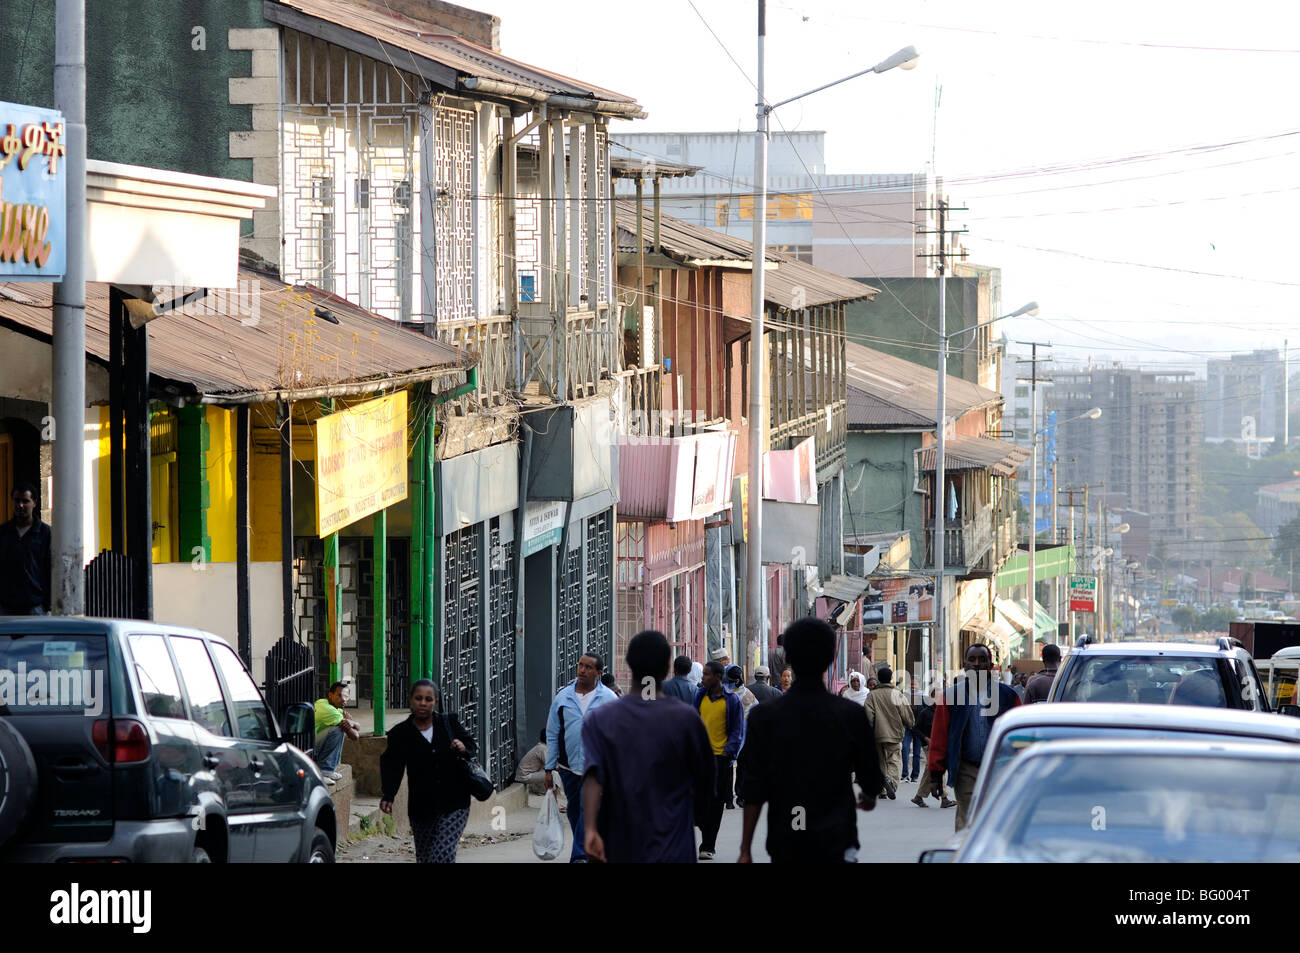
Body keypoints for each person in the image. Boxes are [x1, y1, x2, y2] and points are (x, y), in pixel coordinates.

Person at [737, 617, 883, 863]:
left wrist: (745, 850)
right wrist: (868, 795)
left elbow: (753, 788)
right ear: (830, 659)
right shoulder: (850, 715)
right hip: (836, 839)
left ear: (789, 658)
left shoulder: (764, 717)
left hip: (787, 839)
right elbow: (871, 778)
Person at [580, 630, 715, 863]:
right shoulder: (687, 720)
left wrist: (591, 829)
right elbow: (705, 783)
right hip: (674, 846)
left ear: (629, 663)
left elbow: (592, 777)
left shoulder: (601, 720)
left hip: (621, 845)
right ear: (666, 669)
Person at [379, 680, 477, 863]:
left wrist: (463, 747)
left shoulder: (449, 723)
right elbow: (392, 764)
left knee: (442, 855)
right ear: (410, 699)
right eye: (418, 698)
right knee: (424, 858)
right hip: (421, 807)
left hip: (454, 802)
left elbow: (471, 745)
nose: (423, 703)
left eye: (428, 699)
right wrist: (388, 795)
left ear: (435, 702)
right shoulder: (400, 734)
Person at [928, 644, 1021, 830]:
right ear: (965, 664)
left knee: (997, 819)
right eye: (972, 660)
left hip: (999, 768)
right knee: (968, 820)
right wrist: (935, 775)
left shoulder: (1008, 696)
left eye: (982, 660)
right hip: (966, 770)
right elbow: (939, 738)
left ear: (990, 664)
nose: (977, 664)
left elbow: (1020, 734)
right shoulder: (950, 696)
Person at [544, 652, 617, 862]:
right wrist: (549, 768)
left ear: (599, 673)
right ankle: (590, 849)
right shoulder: (563, 697)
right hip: (568, 768)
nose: (582, 670)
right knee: (575, 813)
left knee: (588, 810)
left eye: (588, 667)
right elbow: (552, 732)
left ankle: (579, 857)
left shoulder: (609, 699)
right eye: (580, 665)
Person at [692, 659, 744, 859]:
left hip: (720, 760)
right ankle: (703, 827)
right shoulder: (699, 696)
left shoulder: (732, 701)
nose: (703, 678)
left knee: (715, 803)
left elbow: (736, 731)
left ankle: (708, 846)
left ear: (717, 677)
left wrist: (727, 753)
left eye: (706, 674)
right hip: (699, 759)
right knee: (698, 801)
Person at [0, 483, 51, 615]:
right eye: (17, 500)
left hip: (35, 606)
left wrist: (47, 604)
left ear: (34, 502)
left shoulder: (46, 533)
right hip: (6, 606)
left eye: (25, 501)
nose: (20, 505)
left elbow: (51, 568)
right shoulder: (3, 532)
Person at [864, 666, 913, 800]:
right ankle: (891, 781)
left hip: (877, 734)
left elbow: (868, 716)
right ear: (891, 678)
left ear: (879, 679)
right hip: (894, 733)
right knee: (894, 760)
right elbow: (906, 713)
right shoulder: (897, 694)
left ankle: (883, 789)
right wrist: (911, 723)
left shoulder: (872, 695)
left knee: (881, 761)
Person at [911, 687, 956, 809]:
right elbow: (915, 729)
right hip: (929, 745)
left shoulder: (946, 711)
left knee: (931, 769)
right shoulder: (925, 713)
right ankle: (944, 798)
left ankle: (919, 797)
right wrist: (926, 738)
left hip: (942, 744)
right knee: (937, 767)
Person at [312, 680, 361, 783]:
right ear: (330, 695)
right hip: (309, 748)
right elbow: (355, 736)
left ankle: (328, 769)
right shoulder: (328, 710)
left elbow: (356, 727)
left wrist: (351, 722)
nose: (343, 700)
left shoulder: (332, 705)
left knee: (341, 728)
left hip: (314, 743)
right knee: (338, 730)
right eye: (339, 696)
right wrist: (351, 723)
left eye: (346, 696)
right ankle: (324, 771)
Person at [515, 728, 554, 798]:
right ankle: (553, 799)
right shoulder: (542, 748)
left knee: (546, 771)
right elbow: (550, 766)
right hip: (524, 776)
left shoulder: (541, 747)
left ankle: (542, 791)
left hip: (526, 774)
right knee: (553, 774)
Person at [901, 688, 926, 783]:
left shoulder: (923, 697)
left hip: (918, 729)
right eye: (911, 684)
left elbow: (925, 711)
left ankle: (915, 776)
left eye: (915, 684)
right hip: (907, 727)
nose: (913, 686)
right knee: (905, 748)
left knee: (917, 752)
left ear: (919, 685)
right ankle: (904, 774)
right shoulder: (904, 696)